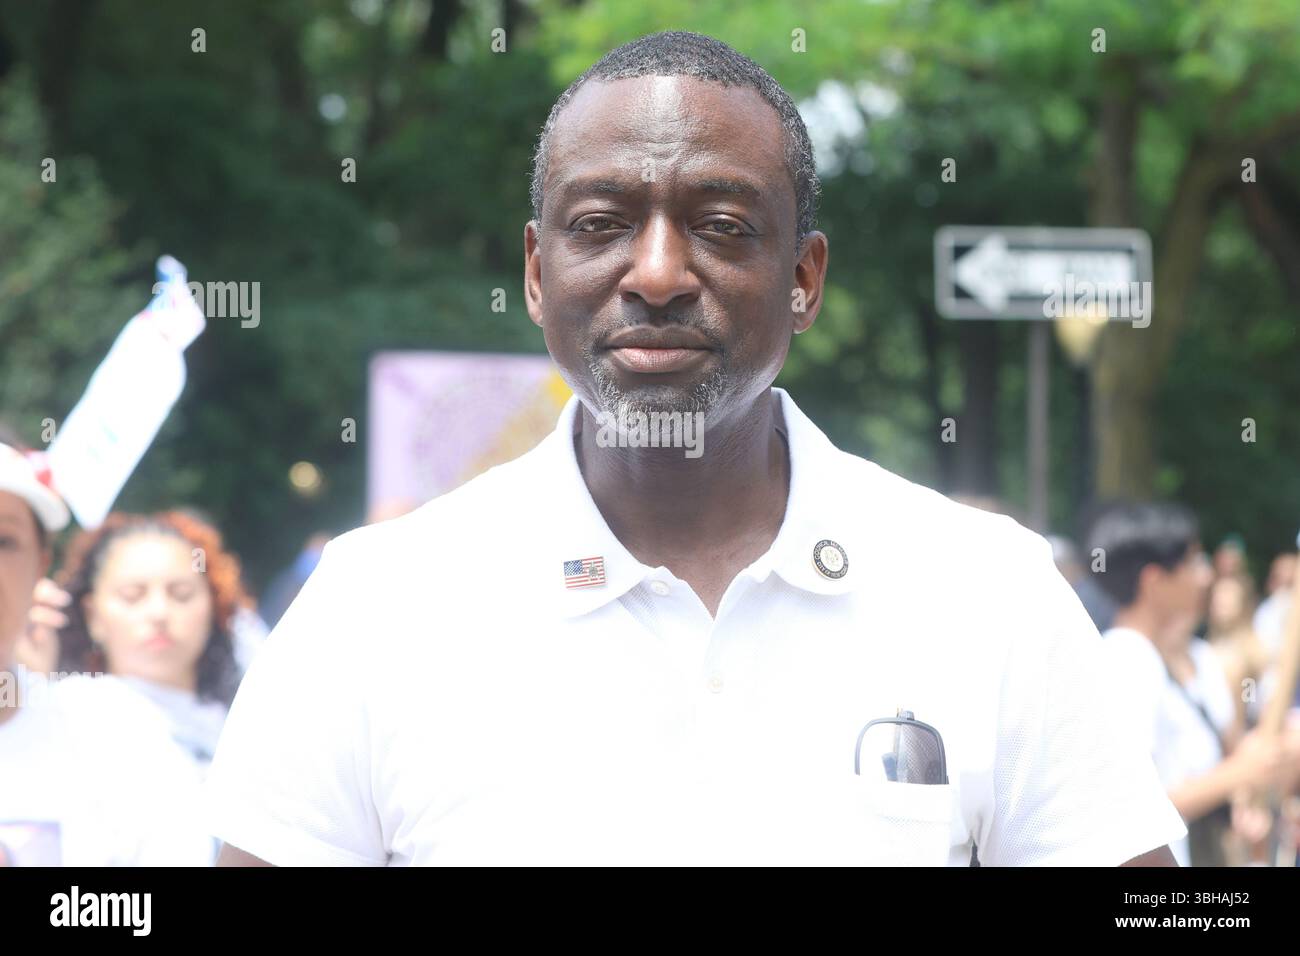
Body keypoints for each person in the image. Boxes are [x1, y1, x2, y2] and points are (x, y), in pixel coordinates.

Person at [207, 31, 1185, 867]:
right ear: (538, 273)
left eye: (720, 226)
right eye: (600, 225)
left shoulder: (986, 591)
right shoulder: (376, 604)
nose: (660, 272)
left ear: (802, 277)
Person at [0, 443, 210, 865]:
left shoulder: (124, 738)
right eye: (134, 594)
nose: (159, 613)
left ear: (41, 565)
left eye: (5, 540)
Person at [1087, 501, 1295, 865]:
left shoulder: (1201, 658)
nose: (1205, 576)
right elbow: (1124, 809)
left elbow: (1232, 764)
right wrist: (1239, 773)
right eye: (1193, 562)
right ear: (1154, 580)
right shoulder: (1124, 659)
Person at [56, 510, 249, 778]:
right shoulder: (66, 715)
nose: (159, 613)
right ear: (93, 615)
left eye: (181, 595)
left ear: (214, 605)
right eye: (133, 595)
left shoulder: (245, 722)